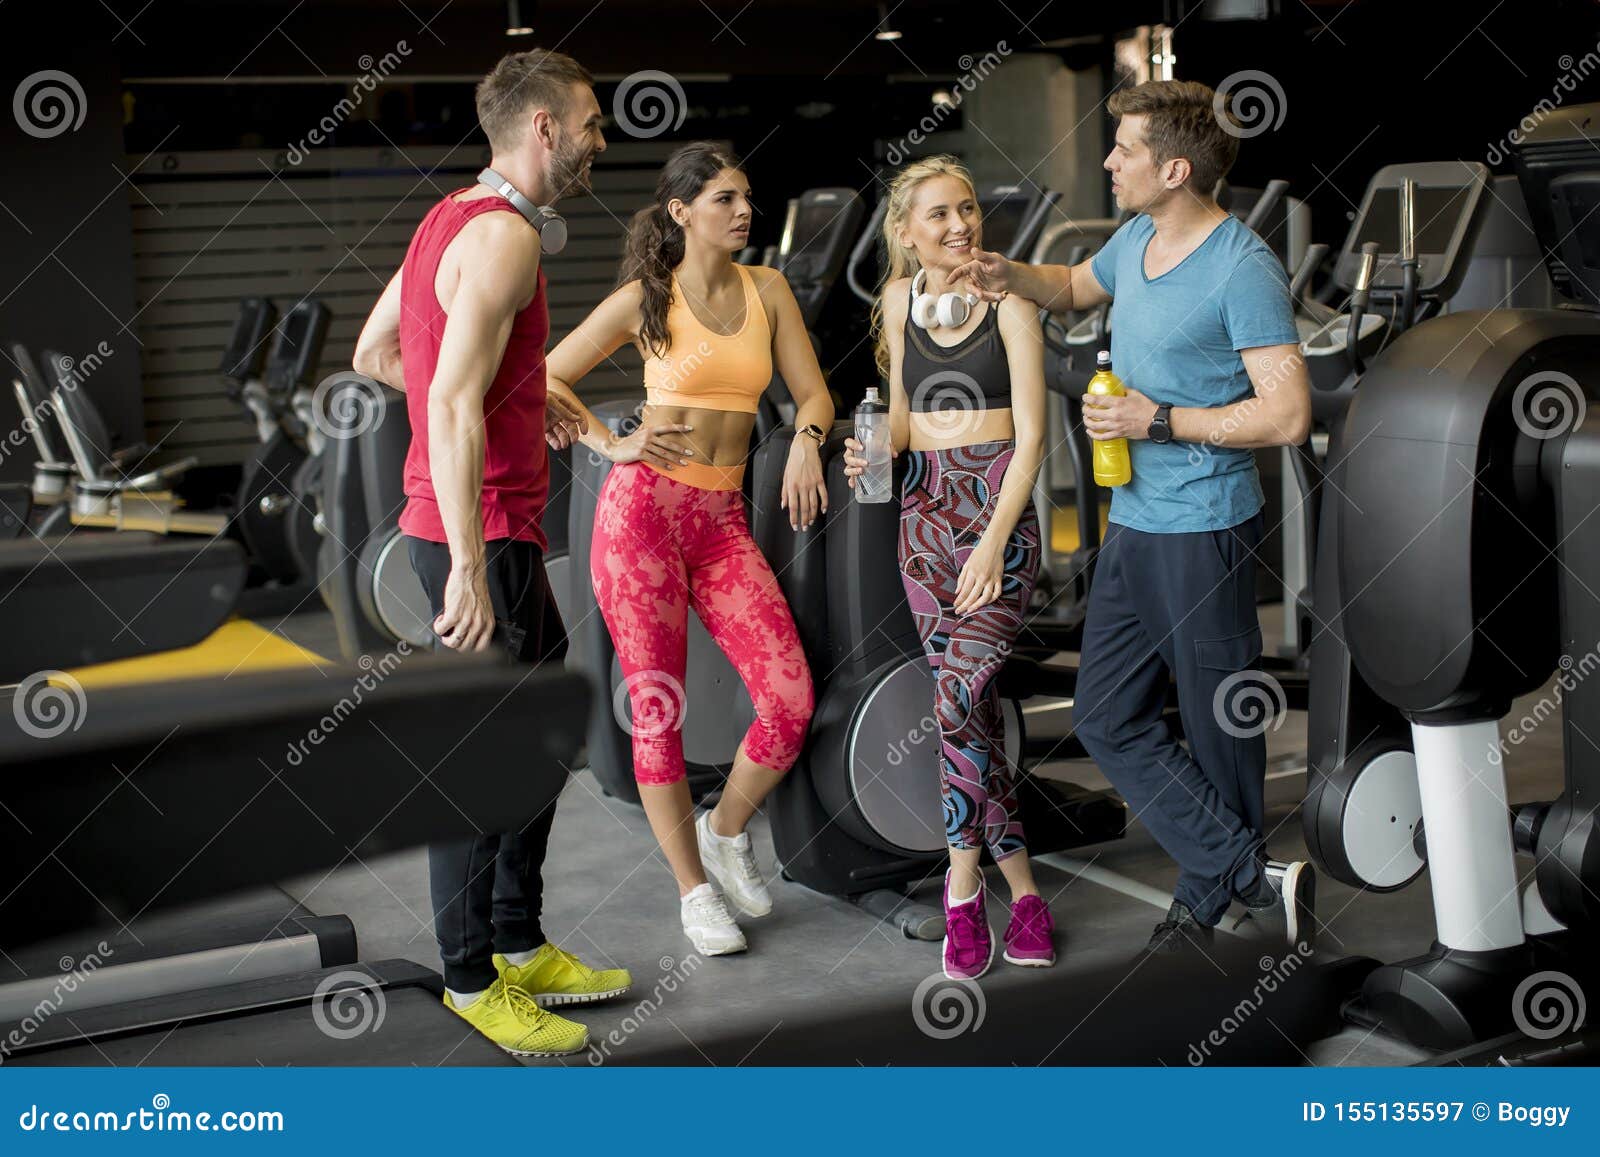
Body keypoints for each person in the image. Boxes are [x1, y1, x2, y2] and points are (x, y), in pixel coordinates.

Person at [948, 79, 1317, 957]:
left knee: (1218, 722)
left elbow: (1288, 413)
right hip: (1137, 522)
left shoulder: (1241, 267)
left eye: (1126, 150)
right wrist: (1011, 277)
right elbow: (1075, 283)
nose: (1109, 161)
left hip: (1207, 524)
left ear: (1175, 167)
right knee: (1108, 712)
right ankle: (1243, 873)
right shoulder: (1138, 237)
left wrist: (1162, 421)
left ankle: (1215, 897)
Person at [352, 48, 631, 1057]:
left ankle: (515, 937)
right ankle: (471, 977)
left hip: (481, 524)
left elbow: (379, 354)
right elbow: (447, 393)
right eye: (593, 120)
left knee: (540, 737)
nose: (602, 138)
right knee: (477, 762)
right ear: (545, 127)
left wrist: (512, 404)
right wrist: (468, 560)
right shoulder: (506, 235)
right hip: (483, 540)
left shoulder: (446, 219)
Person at [543, 142, 832, 957]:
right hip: (640, 522)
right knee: (658, 712)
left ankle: (726, 826)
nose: (744, 211)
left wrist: (807, 438)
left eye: (746, 196)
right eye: (725, 199)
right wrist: (613, 442)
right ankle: (693, 893)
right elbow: (544, 377)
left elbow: (811, 392)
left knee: (789, 697)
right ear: (681, 212)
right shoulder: (647, 296)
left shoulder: (767, 289)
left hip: (720, 520)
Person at [841, 157, 1054, 981]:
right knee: (968, 709)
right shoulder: (897, 304)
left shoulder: (1013, 305)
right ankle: (1027, 893)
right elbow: (901, 415)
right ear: (906, 232)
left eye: (967, 209)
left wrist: (997, 544)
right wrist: (876, 444)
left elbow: (1033, 438)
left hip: (996, 520)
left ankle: (961, 886)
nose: (961, 225)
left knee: (961, 696)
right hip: (923, 521)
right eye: (940, 214)